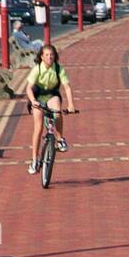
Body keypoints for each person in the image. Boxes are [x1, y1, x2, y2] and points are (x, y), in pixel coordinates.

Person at [26, 44, 76, 174]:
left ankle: (60, 139)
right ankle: (34, 160)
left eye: (51, 55)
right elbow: (28, 88)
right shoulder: (37, 69)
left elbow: (67, 87)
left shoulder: (59, 69)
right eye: (46, 55)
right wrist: (33, 101)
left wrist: (71, 105)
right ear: (42, 57)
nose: (49, 57)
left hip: (52, 95)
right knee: (38, 127)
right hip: (38, 97)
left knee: (58, 113)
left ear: (55, 56)